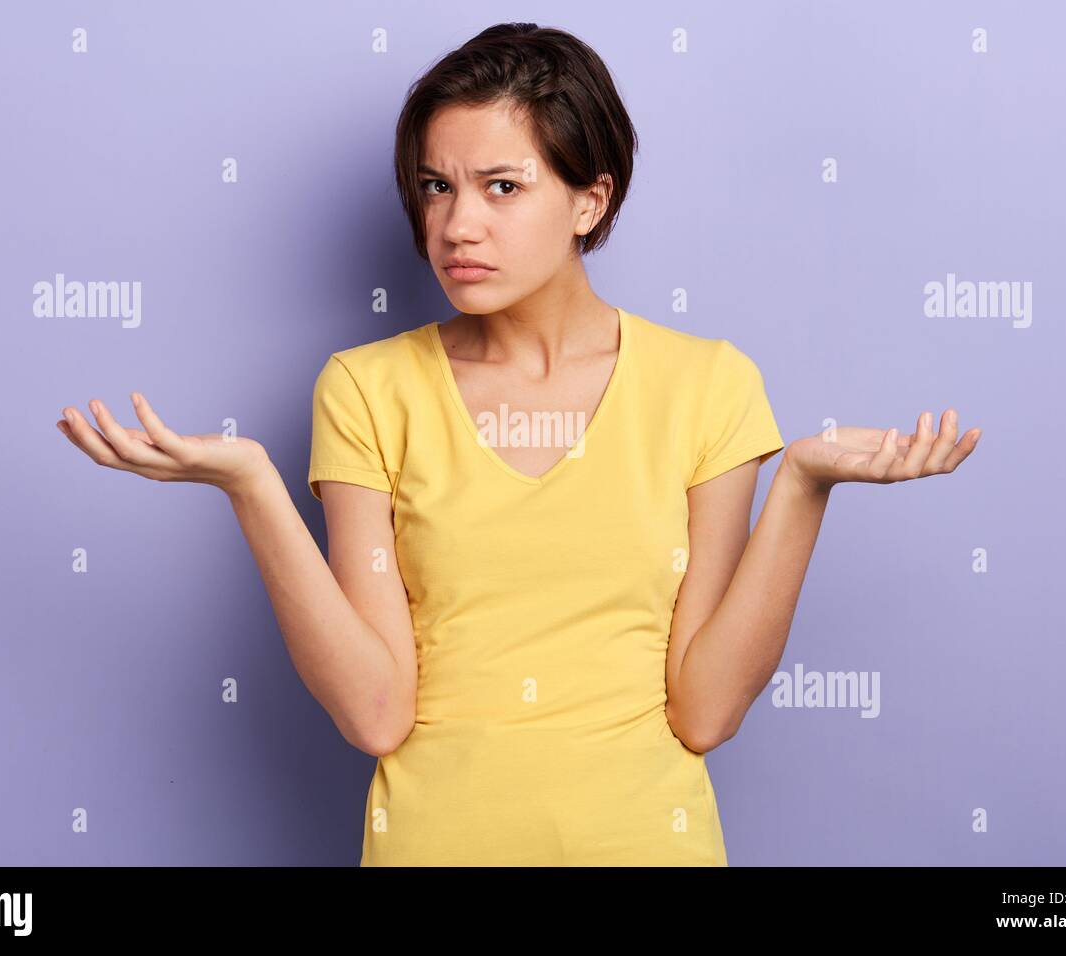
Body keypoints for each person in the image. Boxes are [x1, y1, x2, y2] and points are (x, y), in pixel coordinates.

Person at [56, 22, 981, 866]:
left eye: (504, 187)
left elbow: (703, 711)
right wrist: (253, 488)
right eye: (437, 186)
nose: (458, 226)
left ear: (589, 200)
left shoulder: (709, 386)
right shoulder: (368, 391)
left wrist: (803, 488)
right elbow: (378, 714)